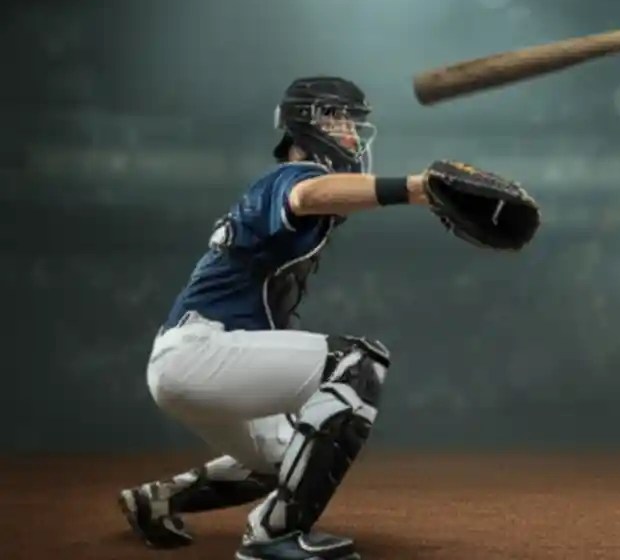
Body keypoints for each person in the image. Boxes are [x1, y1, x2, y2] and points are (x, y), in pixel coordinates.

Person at [119, 76, 425, 560]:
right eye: (343, 120)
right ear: (313, 123)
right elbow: (310, 196)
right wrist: (418, 188)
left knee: (290, 458)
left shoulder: (290, 184)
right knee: (359, 363)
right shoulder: (289, 177)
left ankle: (159, 499)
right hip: (200, 353)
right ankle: (272, 536)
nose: (352, 134)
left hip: (189, 359)